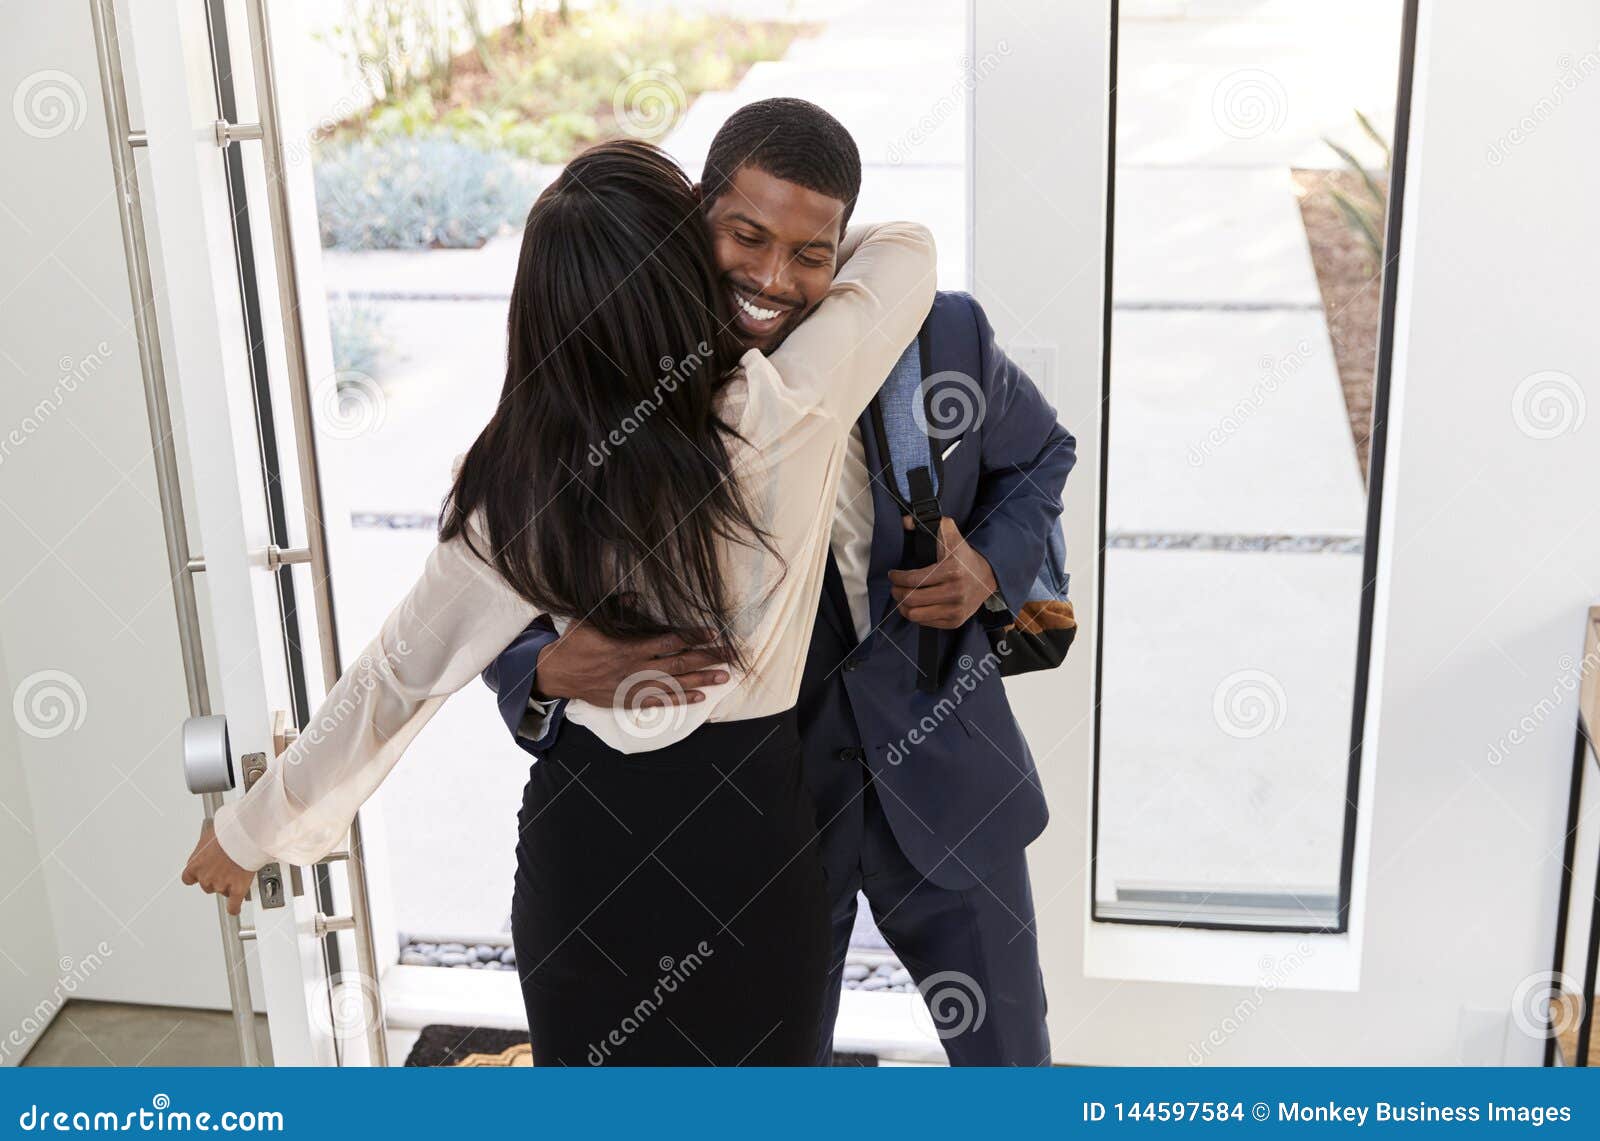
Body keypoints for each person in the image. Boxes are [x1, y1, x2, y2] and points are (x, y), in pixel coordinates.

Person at [180, 138, 937, 1066]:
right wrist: (785, 252)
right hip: (749, 843)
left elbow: (391, 680)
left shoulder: (516, 488)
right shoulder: (787, 404)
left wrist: (248, 828)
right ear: (687, 274)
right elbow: (906, 252)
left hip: (586, 854)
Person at [485, 99, 1075, 1066]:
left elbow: (1044, 453)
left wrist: (989, 566)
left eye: (812, 253)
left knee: (1013, 1063)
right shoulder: (626, 372)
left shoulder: (940, 341)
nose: (774, 277)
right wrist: (543, 669)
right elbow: (505, 574)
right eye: (745, 236)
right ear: (696, 220)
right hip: (768, 811)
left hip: (946, 777)